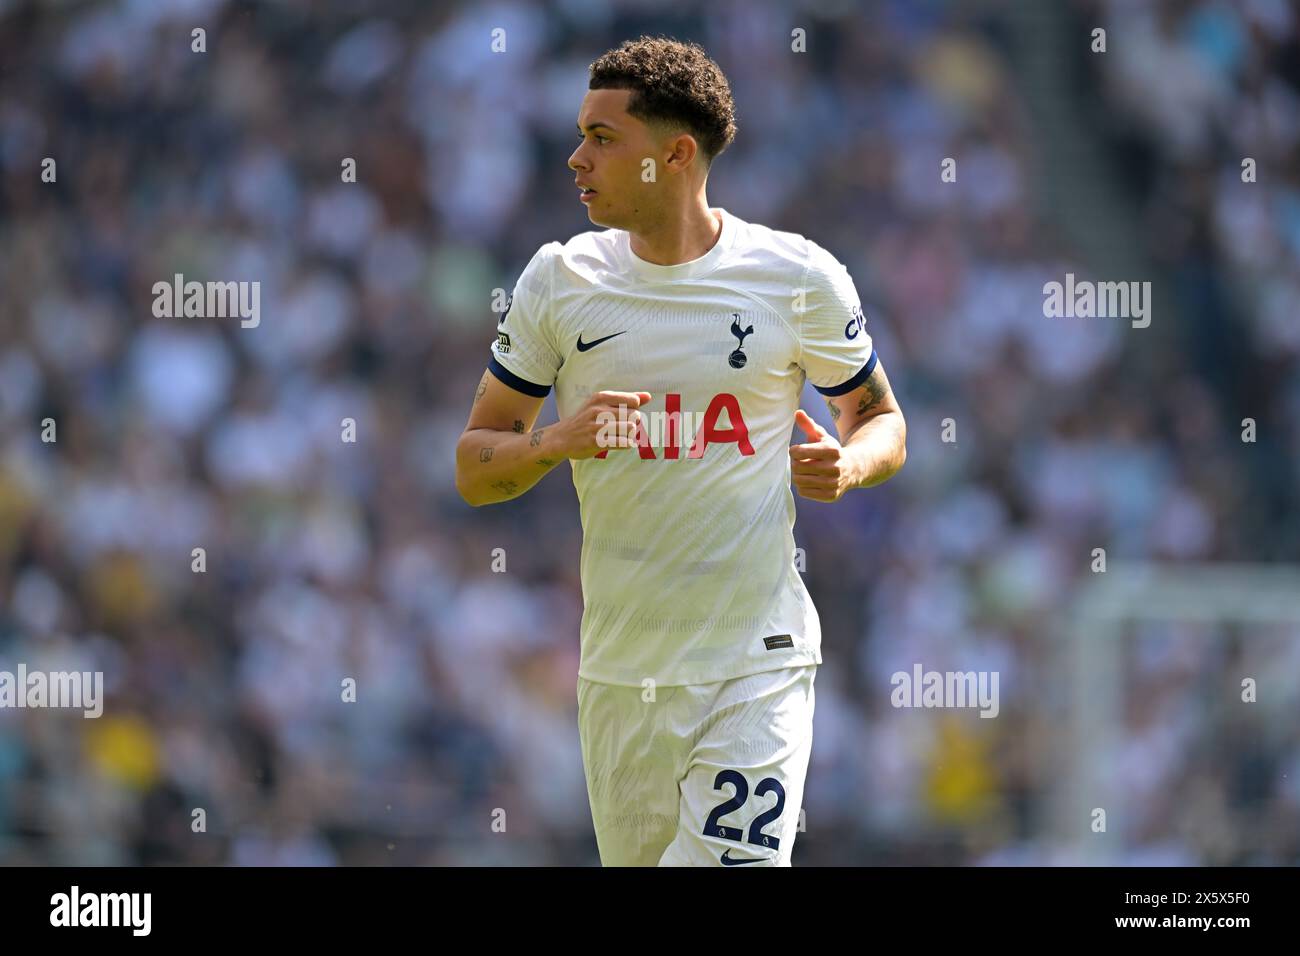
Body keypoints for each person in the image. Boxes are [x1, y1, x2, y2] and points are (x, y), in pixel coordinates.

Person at [454, 36, 906, 866]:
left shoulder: (796, 277)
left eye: (602, 138)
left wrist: (847, 465)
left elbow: (882, 420)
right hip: (623, 675)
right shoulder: (559, 281)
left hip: (754, 660)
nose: (575, 157)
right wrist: (559, 440)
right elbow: (475, 467)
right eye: (582, 134)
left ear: (676, 154)